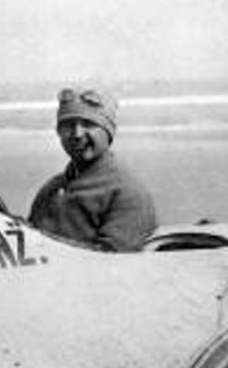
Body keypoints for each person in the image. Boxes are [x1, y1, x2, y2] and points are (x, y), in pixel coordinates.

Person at [28, 87, 157, 251]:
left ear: (108, 132)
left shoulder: (129, 191)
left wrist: (42, 242)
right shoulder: (50, 188)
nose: (77, 134)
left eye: (89, 124)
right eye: (68, 125)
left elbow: (112, 259)